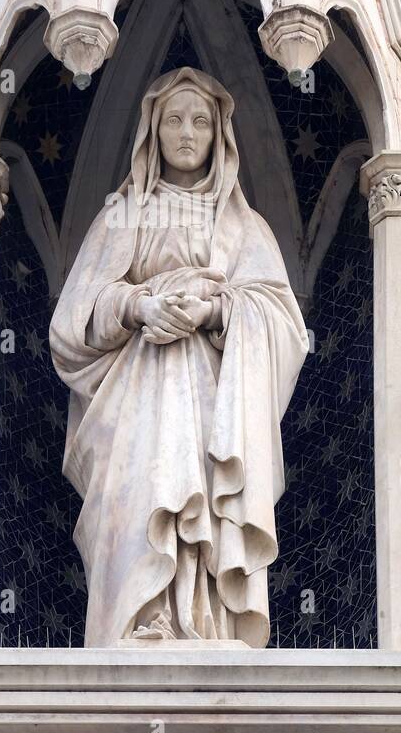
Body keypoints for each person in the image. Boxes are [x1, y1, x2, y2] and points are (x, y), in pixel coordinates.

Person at [50, 67, 308, 646]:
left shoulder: (243, 225)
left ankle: (204, 623)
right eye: (173, 120)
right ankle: (139, 618)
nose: (186, 133)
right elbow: (71, 321)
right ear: (152, 130)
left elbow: (285, 324)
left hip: (212, 396)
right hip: (135, 388)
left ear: (220, 135)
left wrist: (215, 313)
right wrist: (138, 306)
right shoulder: (122, 213)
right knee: (142, 489)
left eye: (200, 121)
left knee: (203, 493)